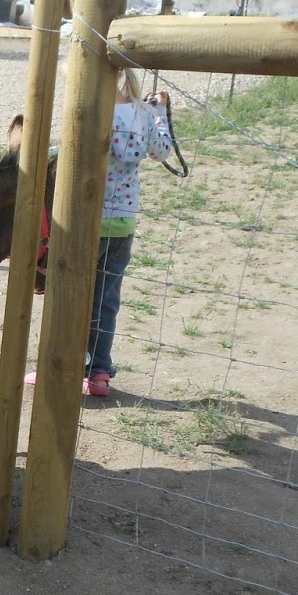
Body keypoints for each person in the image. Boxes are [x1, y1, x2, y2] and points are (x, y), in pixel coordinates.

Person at [84, 70, 172, 397]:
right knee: (106, 299)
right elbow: (161, 151)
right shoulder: (142, 112)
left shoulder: (92, 111)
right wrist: (160, 112)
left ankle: (66, 362)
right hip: (123, 222)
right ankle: (100, 372)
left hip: (88, 220)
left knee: (72, 292)